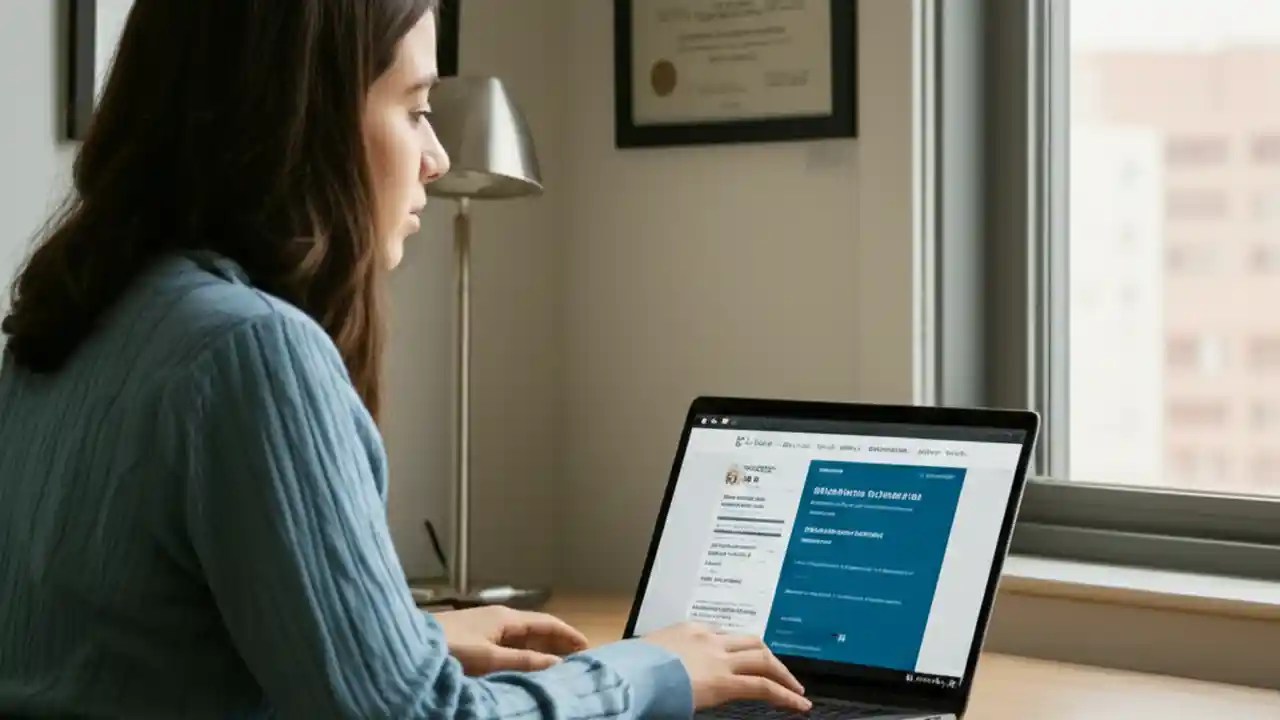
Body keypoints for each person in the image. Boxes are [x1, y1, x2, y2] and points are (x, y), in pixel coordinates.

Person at [0, 2, 812, 718]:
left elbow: (136, 647)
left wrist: (403, 637)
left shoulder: (74, 323)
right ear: (303, 117)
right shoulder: (248, 350)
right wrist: (656, 670)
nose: (436, 157)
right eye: (417, 109)